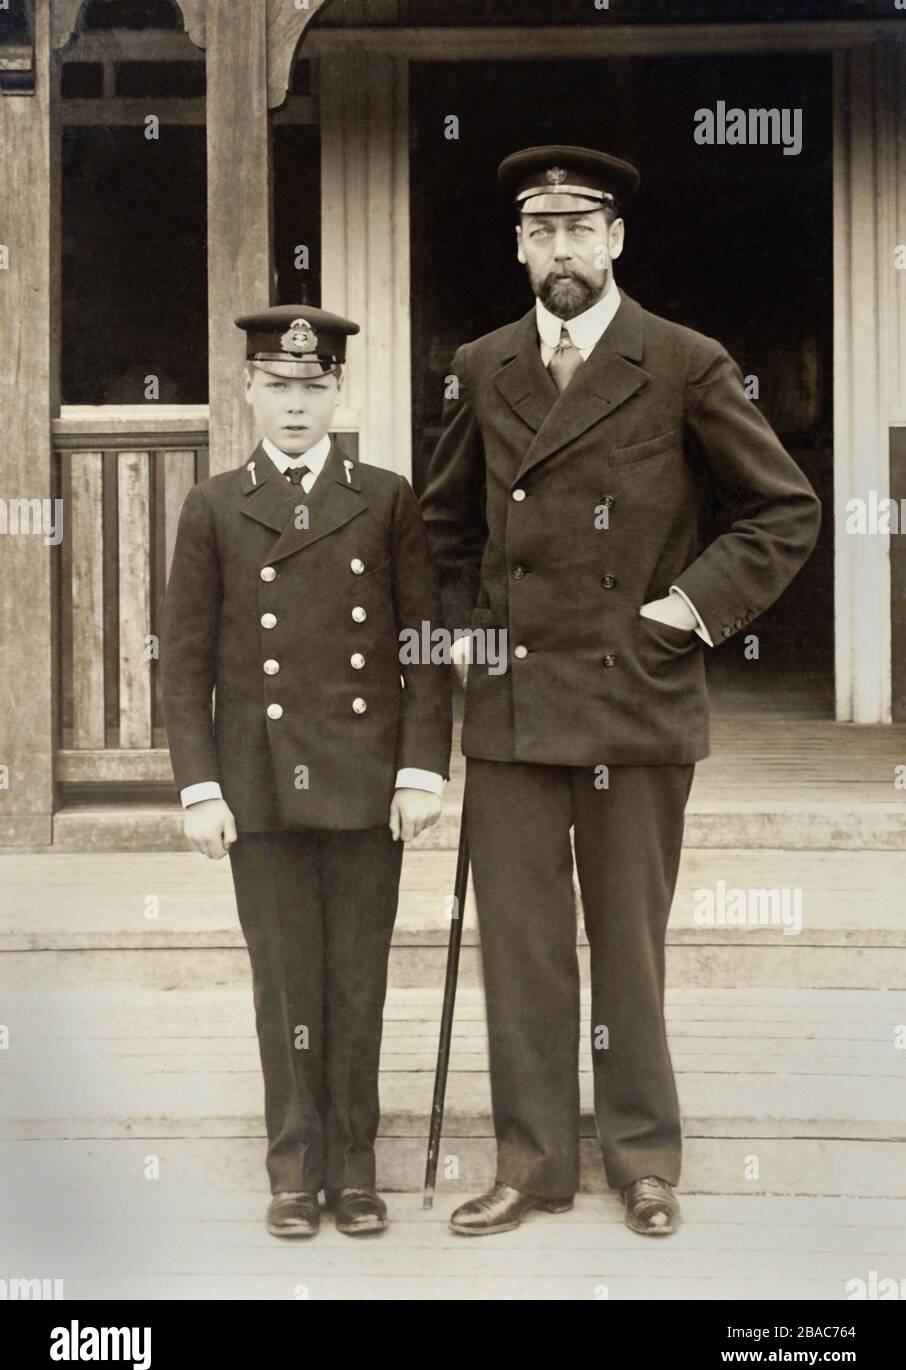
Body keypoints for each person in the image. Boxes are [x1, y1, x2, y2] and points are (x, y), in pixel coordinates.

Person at [420, 145, 821, 1237]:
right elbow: (444, 527)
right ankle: (534, 1161)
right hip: (513, 709)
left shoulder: (685, 361)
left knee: (628, 945)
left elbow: (784, 509)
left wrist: (684, 611)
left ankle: (644, 1156)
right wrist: (467, 633)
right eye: (541, 230)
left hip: (636, 700)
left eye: (580, 229)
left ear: (616, 241)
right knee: (524, 946)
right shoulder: (485, 360)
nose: (561, 250)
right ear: (518, 245)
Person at [162, 305, 452, 1238]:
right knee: (284, 980)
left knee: (358, 976)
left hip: (368, 781)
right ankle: (295, 1167)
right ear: (250, 389)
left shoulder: (386, 495)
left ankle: (357, 1169)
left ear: (338, 392)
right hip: (257, 783)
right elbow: (187, 661)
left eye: (312, 387)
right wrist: (199, 787)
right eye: (278, 387)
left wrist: (421, 769)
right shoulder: (212, 504)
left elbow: (423, 645)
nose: (294, 405)